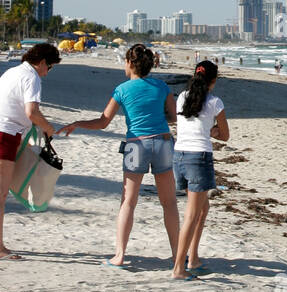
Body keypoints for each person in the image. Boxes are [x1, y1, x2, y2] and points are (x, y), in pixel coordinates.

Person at [59, 44, 178, 268]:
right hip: (162, 142)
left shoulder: (122, 90)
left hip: (136, 145)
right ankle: (176, 255)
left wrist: (77, 123)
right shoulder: (162, 87)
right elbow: (173, 117)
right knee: (169, 202)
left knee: (128, 202)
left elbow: (103, 122)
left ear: (130, 63)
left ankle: (120, 255)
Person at [0, 43, 61, 260]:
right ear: (42, 62)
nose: (47, 72)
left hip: (5, 131)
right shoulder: (32, 77)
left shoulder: (11, 72)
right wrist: (48, 128)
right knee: (1, 193)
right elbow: (32, 111)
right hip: (6, 135)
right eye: (50, 67)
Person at [171, 61, 228, 281]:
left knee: (202, 209)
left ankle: (193, 257)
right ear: (213, 80)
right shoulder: (215, 102)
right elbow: (225, 135)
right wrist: (212, 130)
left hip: (180, 156)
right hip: (199, 157)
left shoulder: (183, 97)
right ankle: (178, 267)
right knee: (192, 214)